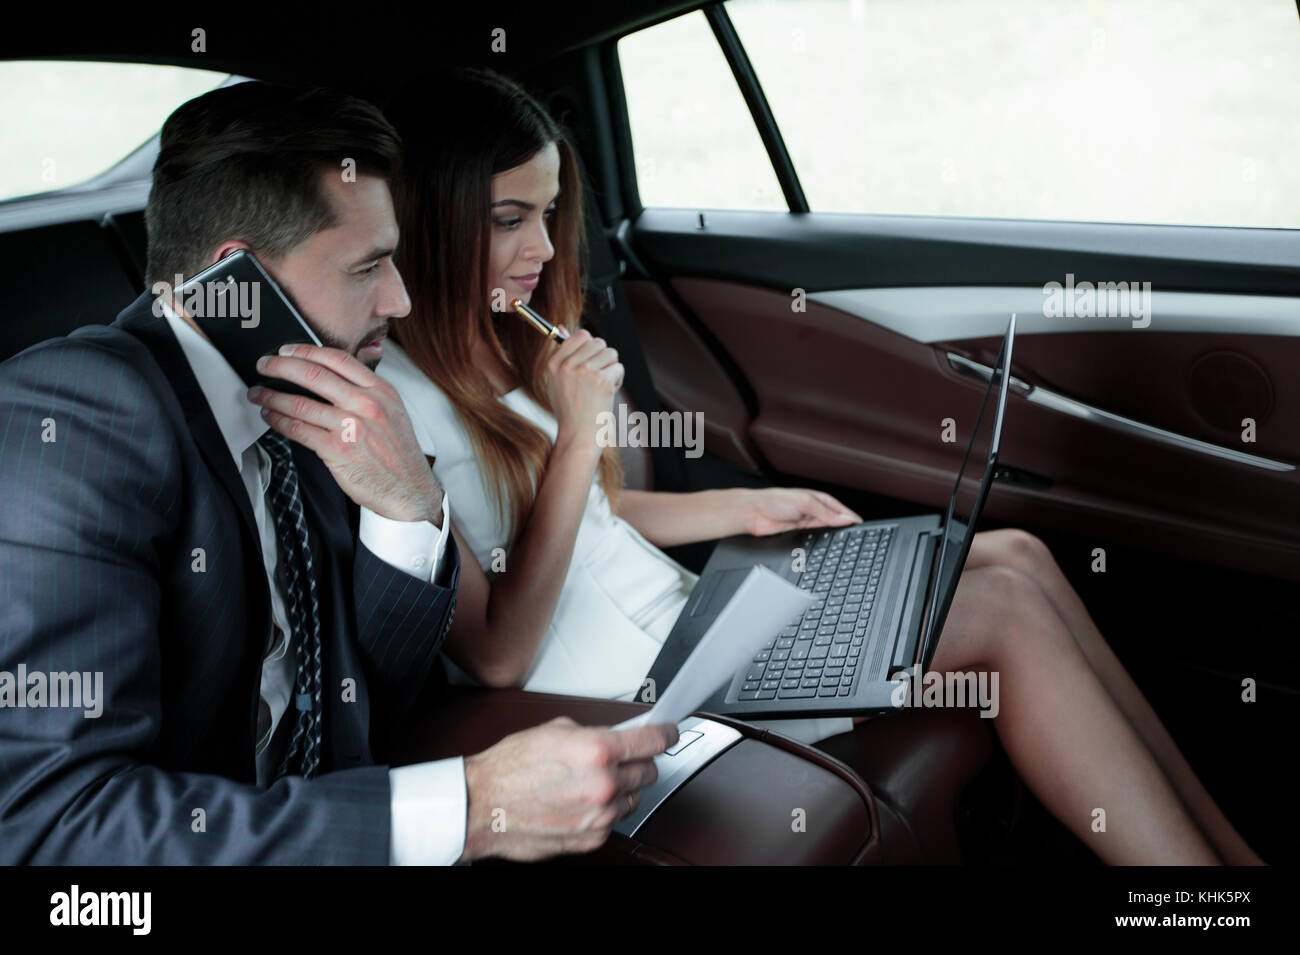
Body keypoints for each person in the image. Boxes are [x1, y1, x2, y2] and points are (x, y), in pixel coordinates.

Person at [377, 67, 1264, 866]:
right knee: (1001, 609)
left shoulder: (504, 349)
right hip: (644, 690)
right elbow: (495, 656)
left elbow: (584, 525)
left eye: (547, 212)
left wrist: (745, 505)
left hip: (695, 623)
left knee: (1017, 552)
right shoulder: (403, 407)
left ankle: (1230, 862)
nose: (541, 248)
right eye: (508, 221)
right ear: (432, 224)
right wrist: (577, 437)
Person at [0, 81, 674, 866]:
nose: (401, 296)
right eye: (370, 267)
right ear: (237, 283)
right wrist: (474, 809)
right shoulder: (81, 414)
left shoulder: (316, 395)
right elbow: (53, 826)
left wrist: (405, 507)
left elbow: (374, 695)